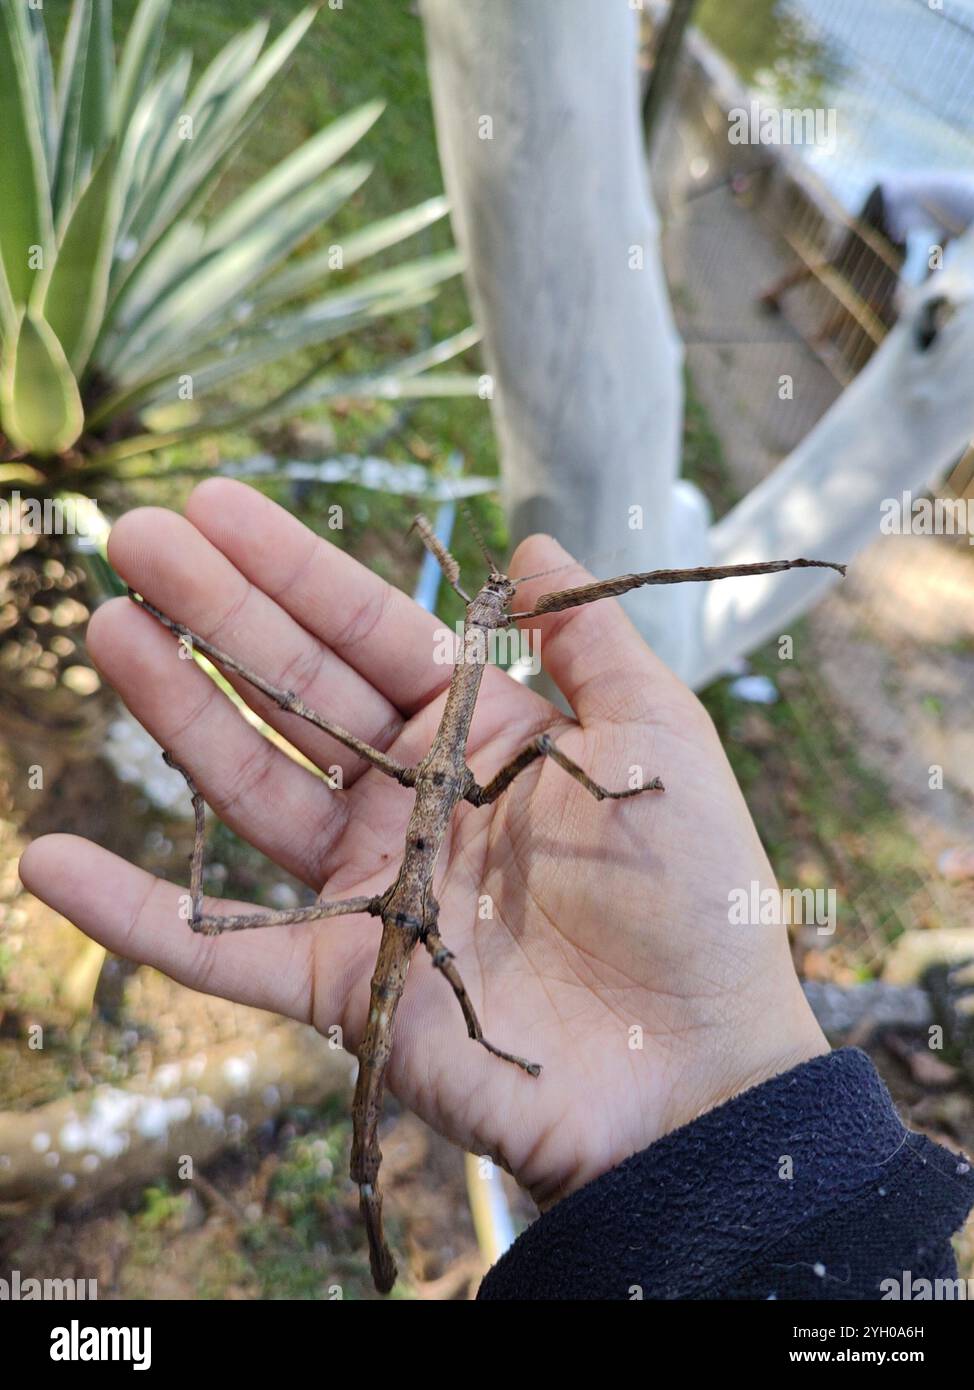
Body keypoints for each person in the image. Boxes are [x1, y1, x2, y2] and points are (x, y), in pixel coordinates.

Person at [19, 479, 974, 1299]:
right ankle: (372, 1198)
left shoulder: (472, 739)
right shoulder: (454, 760)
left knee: (237, 918)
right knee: (221, 918)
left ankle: (373, 1209)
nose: (480, 618)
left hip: (409, 913)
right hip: (399, 916)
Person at [758, 169, 974, 347]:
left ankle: (778, 296)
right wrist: (926, 286)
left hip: (887, 197)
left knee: (841, 264)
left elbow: (941, 241)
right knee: (879, 292)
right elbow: (941, 245)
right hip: (889, 208)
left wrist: (925, 284)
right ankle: (819, 338)